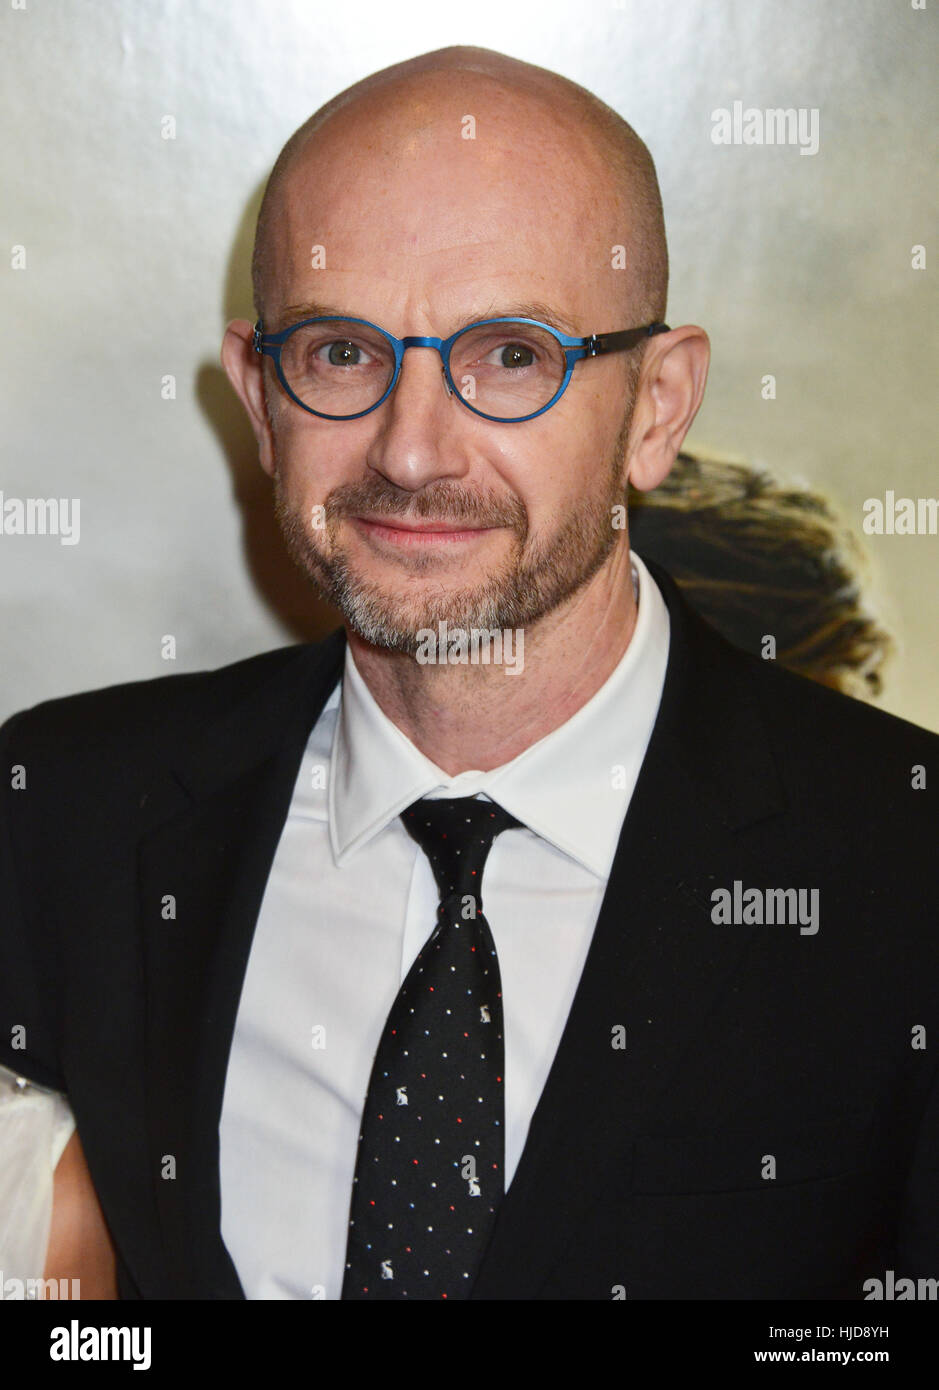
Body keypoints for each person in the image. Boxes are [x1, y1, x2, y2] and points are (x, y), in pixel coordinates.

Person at [1, 45, 936, 1302]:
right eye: (341, 352)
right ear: (259, 397)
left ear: (657, 408)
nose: (411, 447)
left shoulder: (905, 863)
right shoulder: (61, 812)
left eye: (511, 355)